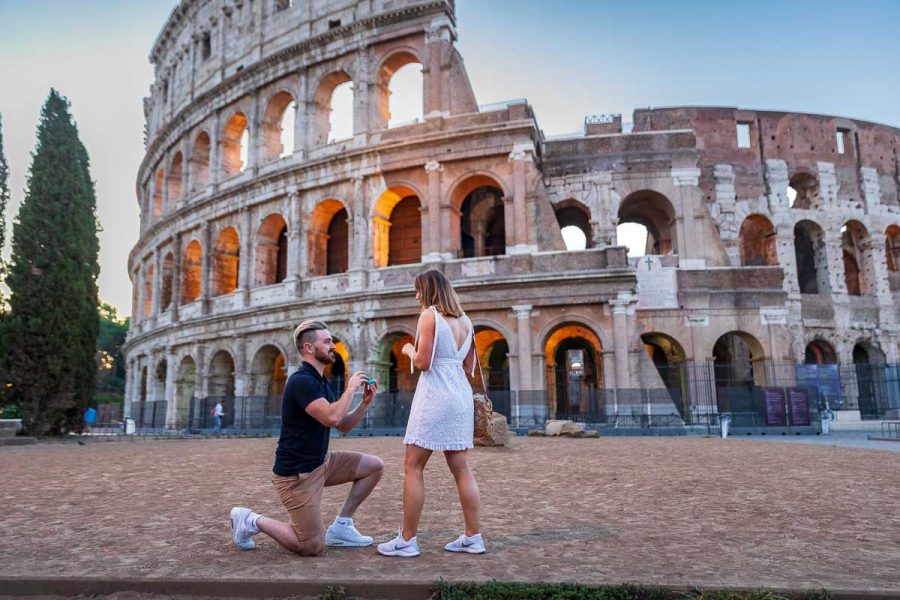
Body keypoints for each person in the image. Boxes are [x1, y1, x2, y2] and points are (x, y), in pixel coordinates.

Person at [230, 320, 384, 556]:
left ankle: (342, 526)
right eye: (327, 341)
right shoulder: (301, 380)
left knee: (374, 466)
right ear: (309, 348)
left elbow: (343, 425)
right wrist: (350, 389)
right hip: (296, 476)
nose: (333, 346)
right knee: (311, 545)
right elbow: (332, 417)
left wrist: (364, 404)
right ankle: (249, 519)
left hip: (321, 463)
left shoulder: (321, 381)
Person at [377, 269, 485, 557]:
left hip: (435, 394)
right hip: (460, 394)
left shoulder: (429, 316)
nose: (416, 296)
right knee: (461, 469)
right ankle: (473, 536)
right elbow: (470, 366)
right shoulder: (466, 320)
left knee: (413, 467)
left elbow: (423, 363)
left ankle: (407, 540)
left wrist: (408, 350)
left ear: (429, 290)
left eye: (418, 290)